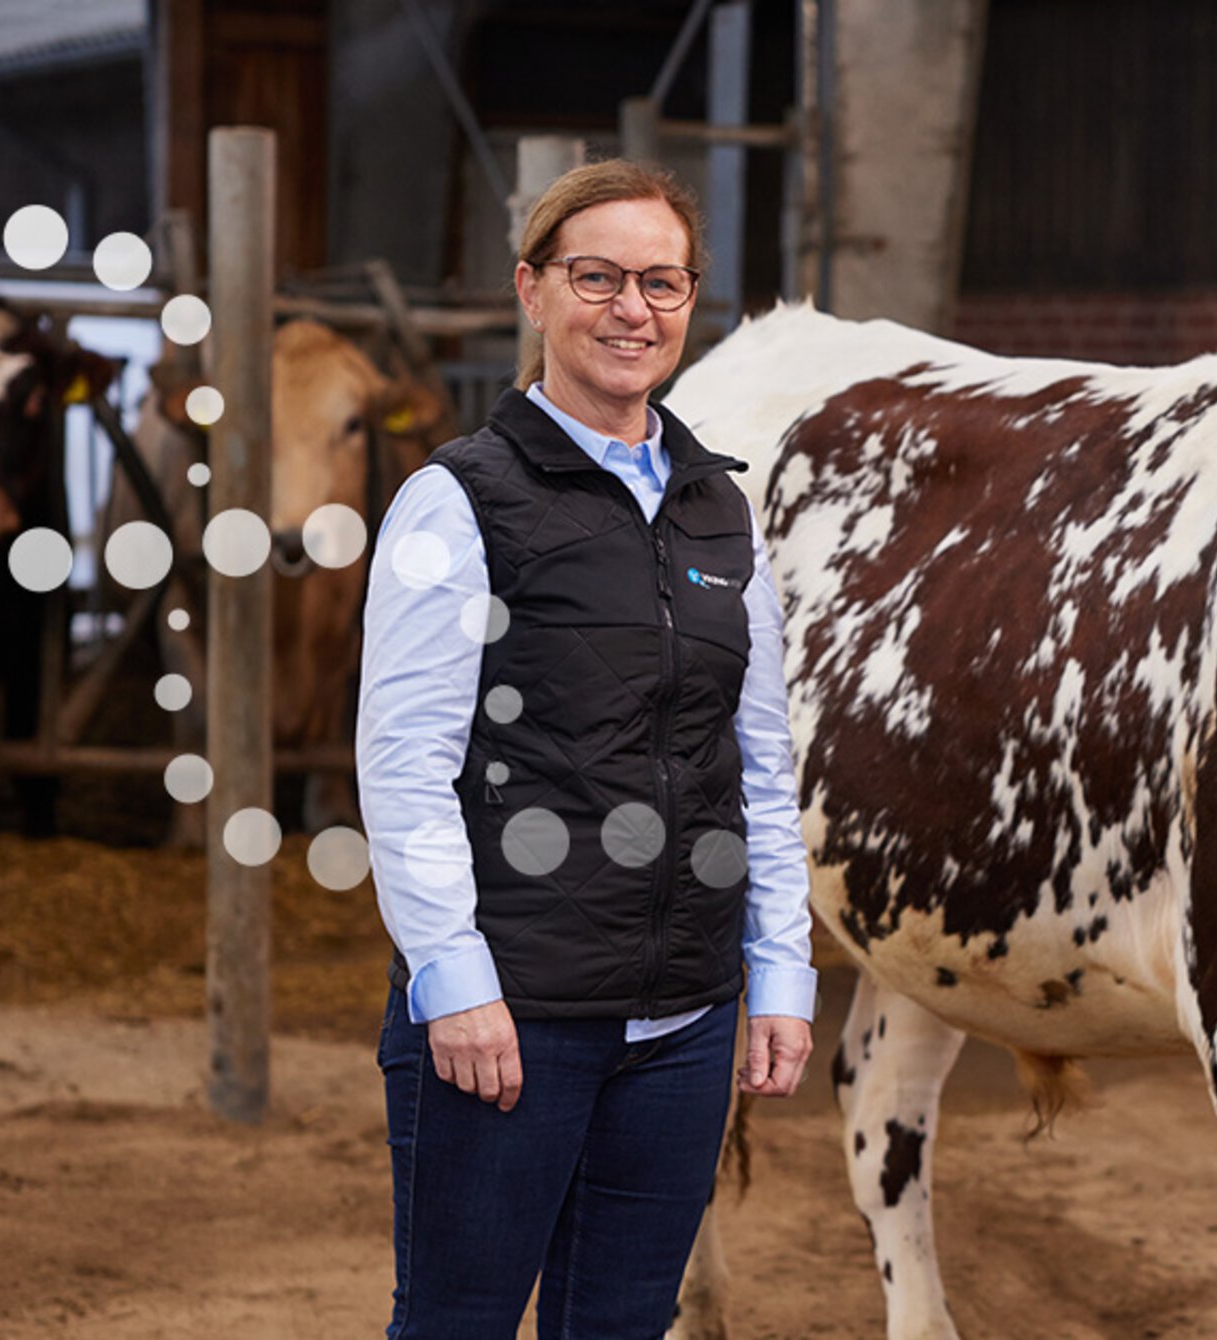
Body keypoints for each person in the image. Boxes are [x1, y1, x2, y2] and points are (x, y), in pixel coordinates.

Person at [355, 158, 816, 1337]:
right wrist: (450, 982)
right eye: (596, 276)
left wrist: (779, 972)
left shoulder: (721, 507)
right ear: (533, 290)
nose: (631, 309)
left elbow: (756, 762)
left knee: (622, 1321)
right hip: (510, 1017)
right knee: (456, 1320)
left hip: (683, 1022)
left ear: (689, 301)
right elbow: (402, 765)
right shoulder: (457, 499)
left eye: (661, 283)